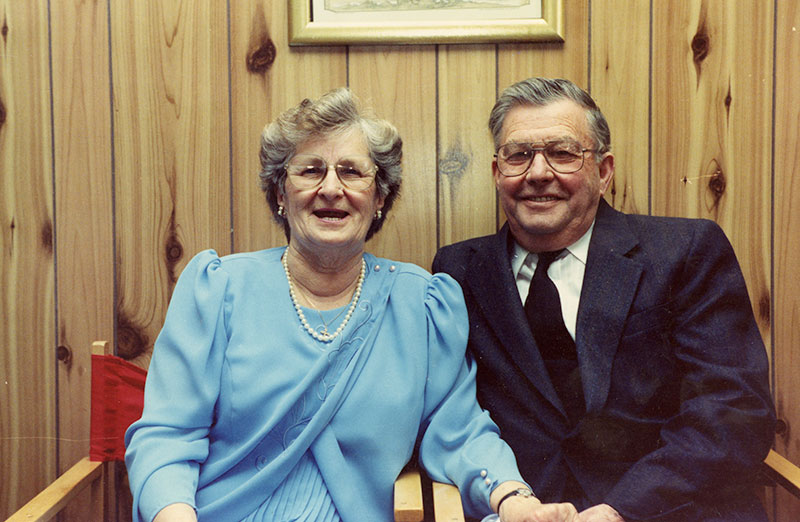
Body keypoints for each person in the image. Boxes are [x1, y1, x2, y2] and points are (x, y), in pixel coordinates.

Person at [125, 88, 579, 522]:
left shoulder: (420, 304)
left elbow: (458, 431)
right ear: (280, 194)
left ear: (379, 198)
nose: (330, 188)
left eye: (351, 171)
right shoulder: (218, 290)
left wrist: (515, 499)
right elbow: (167, 436)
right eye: (309, 170)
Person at [432, 78, 776, 522]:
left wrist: (621, 509)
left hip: (670, 509)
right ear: (498, 173)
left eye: (562, 152)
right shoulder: (458, 271)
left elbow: (733, 411)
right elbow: (451, 417)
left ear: (604, 171)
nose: (538, 173)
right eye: (518, 156)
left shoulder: (685, 251)